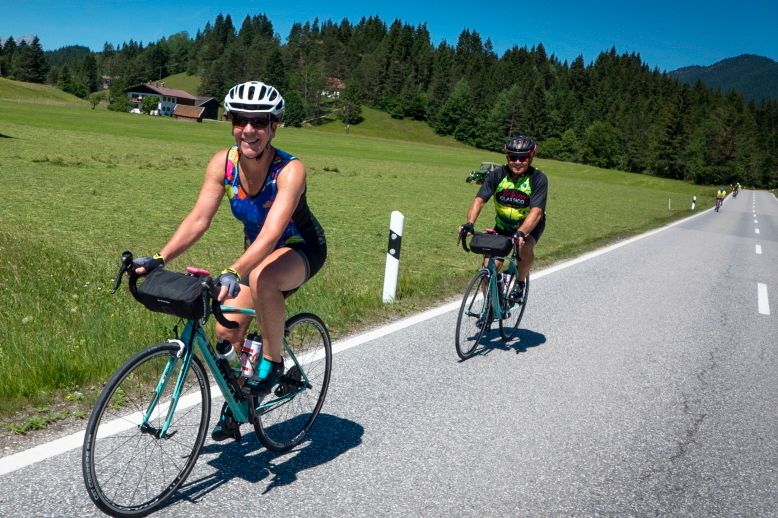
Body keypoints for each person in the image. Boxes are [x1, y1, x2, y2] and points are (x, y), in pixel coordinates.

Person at [132, 80, 327, 441]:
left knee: (266, 279)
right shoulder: (224, 163)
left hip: (299, 246)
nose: (248, 130)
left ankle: (272, 364)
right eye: (239, 119)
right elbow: (198, 219)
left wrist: (235, 270)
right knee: (225, 331)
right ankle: (240, 392)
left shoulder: (289, 170)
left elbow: (272, 232)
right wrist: (160, 257)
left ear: (274, 126)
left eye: (259, 121)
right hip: (258, 253)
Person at [459, 135, 548, 305]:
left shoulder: (538, 179)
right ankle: (491, 308)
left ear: (531, 156)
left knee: (525, 246)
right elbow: (479, 200)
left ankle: (520, 282)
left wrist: (521, 232)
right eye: (513, 157)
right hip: (503, 226)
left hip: (529, 225)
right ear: (507, 157)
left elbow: (536, 211)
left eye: (523, 157)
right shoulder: (497, 175)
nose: (517, 161)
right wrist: (470, 223)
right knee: (487, 269)